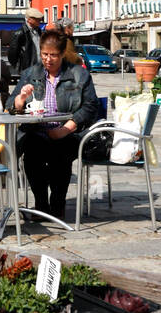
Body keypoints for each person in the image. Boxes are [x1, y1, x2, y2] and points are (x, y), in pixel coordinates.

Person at [6, 27, 97, 221]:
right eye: (44, 54)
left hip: (68, 133)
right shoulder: (31, 73)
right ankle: (41, 203)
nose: (48, 59)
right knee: (31, 151)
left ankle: (57, 205)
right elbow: (11, 106)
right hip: (36, 132)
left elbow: (90, 107)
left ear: (63, 54)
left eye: (54, 55)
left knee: (60, 153)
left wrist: (65, 129)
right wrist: (21, 99)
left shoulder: (79, 75)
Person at [8, 7, 44, 74]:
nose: (40, 20)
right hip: (27, 70)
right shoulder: (20, 33)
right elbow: (12, 54)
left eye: (39, 18)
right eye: (37, 19)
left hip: (40, 69)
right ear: (29, 20)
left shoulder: (39, 31)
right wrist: (20, 68)